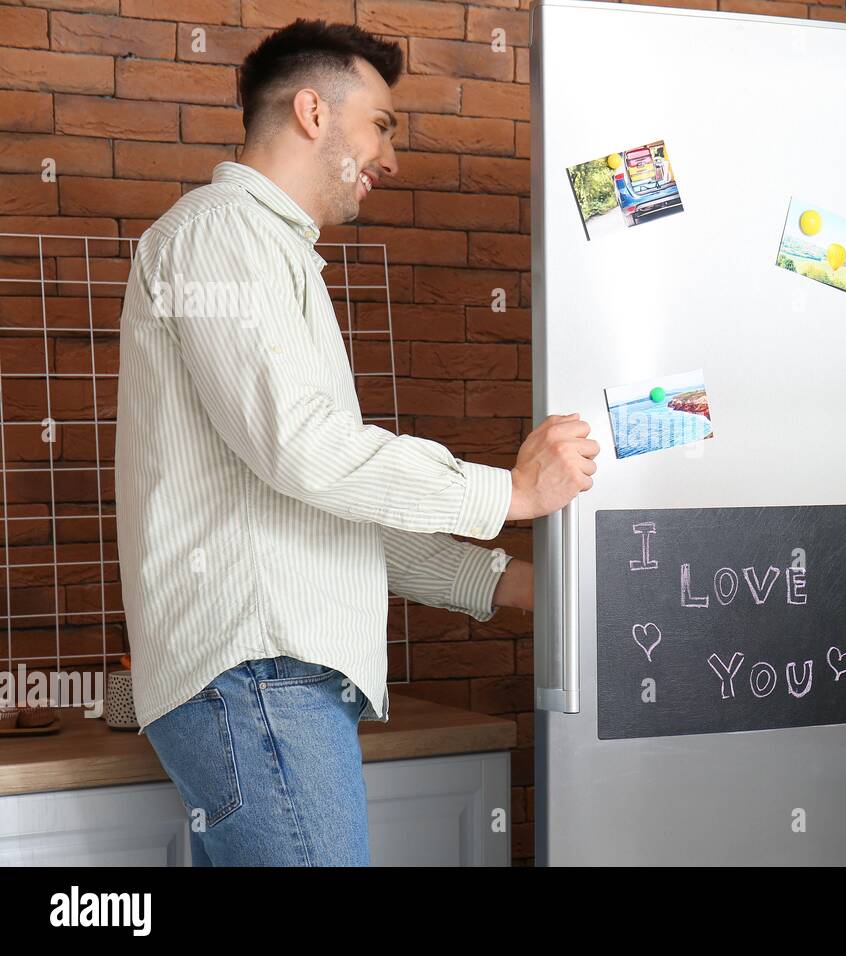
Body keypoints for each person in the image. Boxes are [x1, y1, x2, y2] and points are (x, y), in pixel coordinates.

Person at [115, 19, 597, 866]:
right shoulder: (222, 233)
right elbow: (304, 449)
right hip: (260, 675)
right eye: (381, 123)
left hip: (270, 679)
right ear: (312, 111)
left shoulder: (271, 254)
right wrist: (510, 495)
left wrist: (509, 583)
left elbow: (322, 499)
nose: (391, 158)